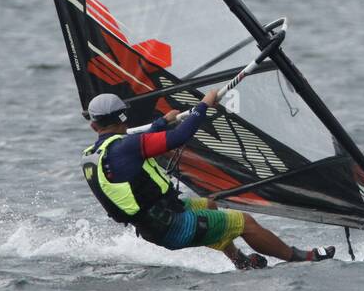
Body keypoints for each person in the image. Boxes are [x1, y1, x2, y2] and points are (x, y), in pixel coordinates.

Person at [81, 91, 335, 270]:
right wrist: (204, 105)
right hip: (174, 227)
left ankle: (241, 262)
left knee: (209, 205)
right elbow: (179, 137)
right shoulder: (128, 146)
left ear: (94, 127)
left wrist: (161, 122)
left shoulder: (93, 156)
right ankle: (300, 258)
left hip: (154, 226)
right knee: (245, 223)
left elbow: (135, 146)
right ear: (124, 119)